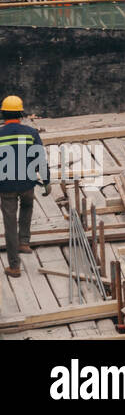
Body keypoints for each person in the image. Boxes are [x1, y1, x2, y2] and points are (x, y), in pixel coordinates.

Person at [0, 96, 49, 278]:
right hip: (27, 182)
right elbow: (40, 159)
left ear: (3, 113)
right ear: (21, 114)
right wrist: (46, 180)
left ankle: (14, 266)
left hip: (6, 186)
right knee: (27, 207)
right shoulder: (31, 133)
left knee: (10, 223)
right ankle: (24, 242)